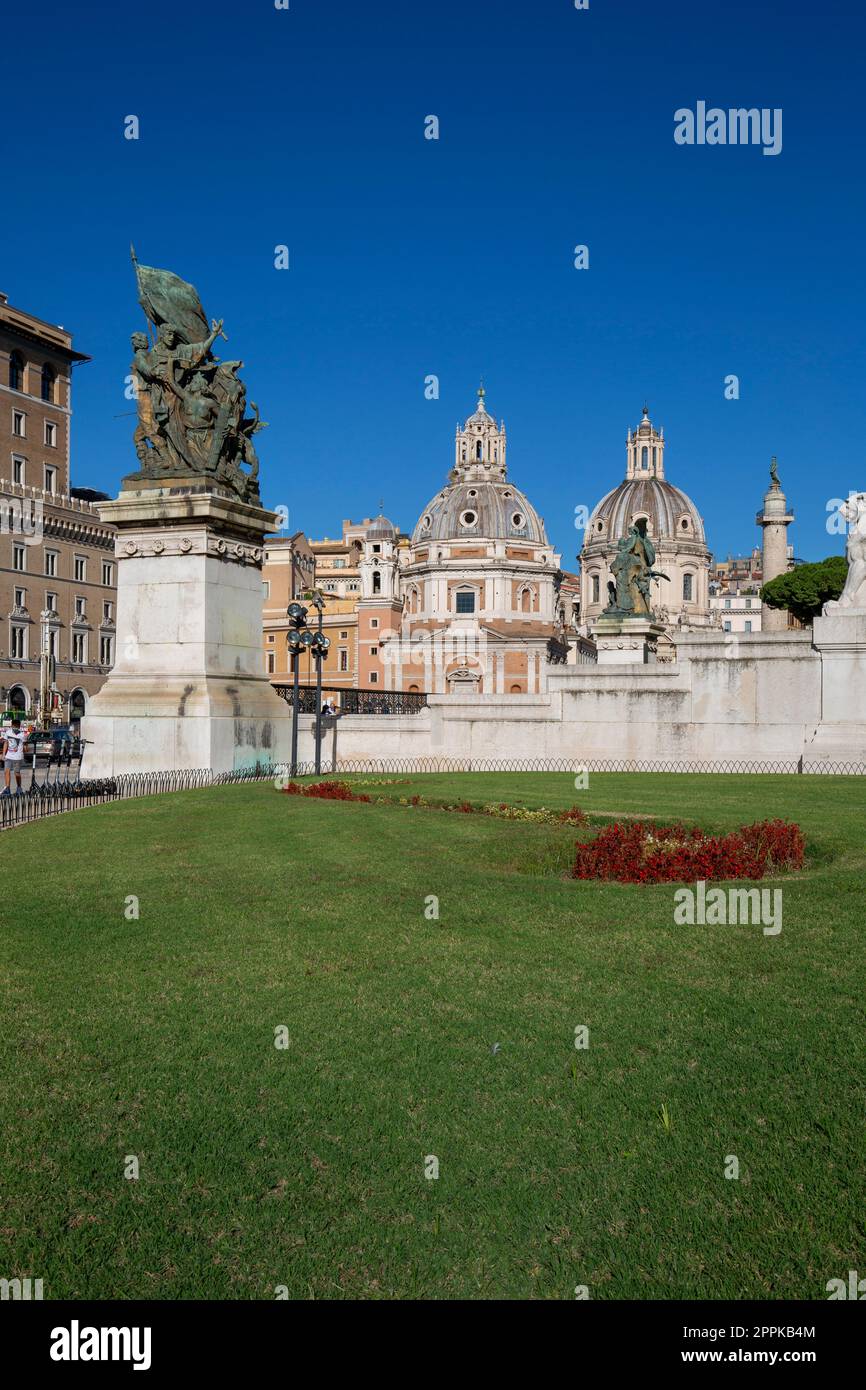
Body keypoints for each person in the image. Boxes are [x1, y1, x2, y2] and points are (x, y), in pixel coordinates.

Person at [0, 718, 28, 796]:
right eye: (14, 726)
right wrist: (3, 754)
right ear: (12, 725)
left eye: (17, 726)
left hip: (17, 756)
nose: (15, 727)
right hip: (8, 755)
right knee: (6, 771)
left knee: (17, 773)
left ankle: (19, 788)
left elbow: (25, 747)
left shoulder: (22, 735)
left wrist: (25, 751)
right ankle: (7, 788)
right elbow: (6, 743)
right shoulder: (8, 732)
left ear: (19, 726)